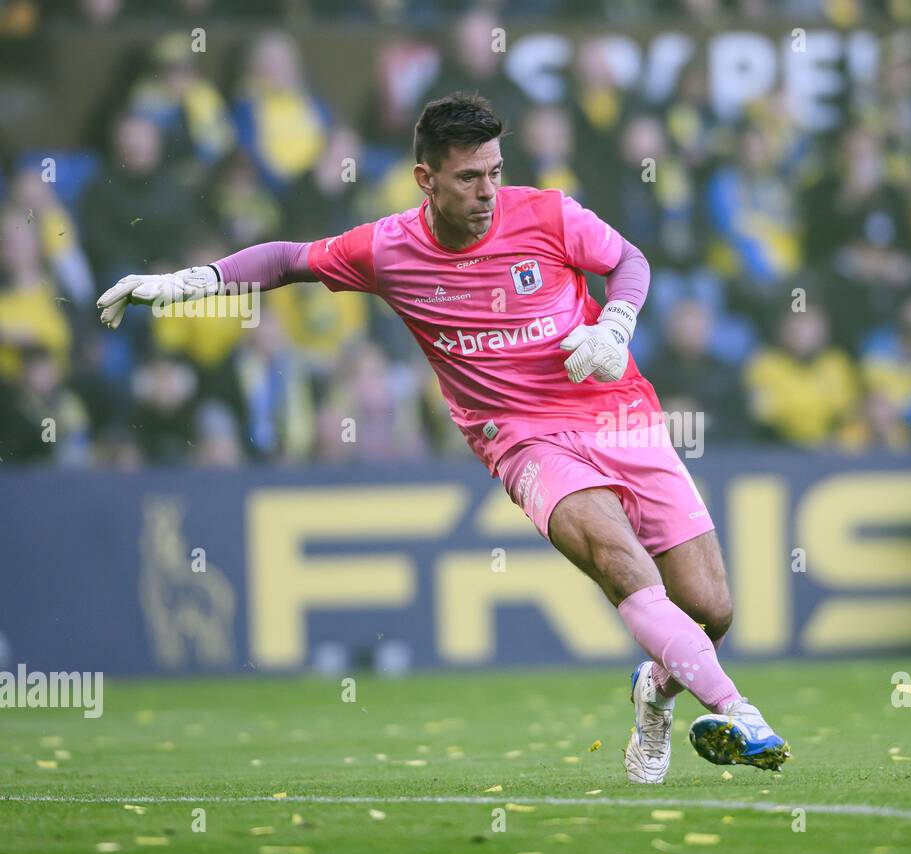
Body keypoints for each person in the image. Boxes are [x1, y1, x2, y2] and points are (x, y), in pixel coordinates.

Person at [95, 92, 788, 783]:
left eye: (494, 171)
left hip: (617, 413)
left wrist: (616, 327)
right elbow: (287, 259)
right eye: (469, 177)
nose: (488, 191)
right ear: (426, 179)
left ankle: (654, 693)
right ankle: (741, 712)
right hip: (522, 442)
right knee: (621, 562)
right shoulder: (389, 250)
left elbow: (629, 262)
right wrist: (186, 284)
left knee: (710, 610)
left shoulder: (547, 213)